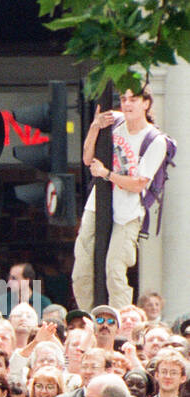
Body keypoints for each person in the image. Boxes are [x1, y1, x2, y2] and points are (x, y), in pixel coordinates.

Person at [72, 86, 166, 311]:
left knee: (114, 270)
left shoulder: (155, 139)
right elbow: (87, 159)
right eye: (124, 99)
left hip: (128, 211)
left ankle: (120, 323)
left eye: (134, 99)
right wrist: (95, 126)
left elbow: (139, 183)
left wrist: (107, 174)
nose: (127, 104)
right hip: (98, 203)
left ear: (146, 103)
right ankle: (87, 319)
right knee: (81, 270)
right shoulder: (114, 122)